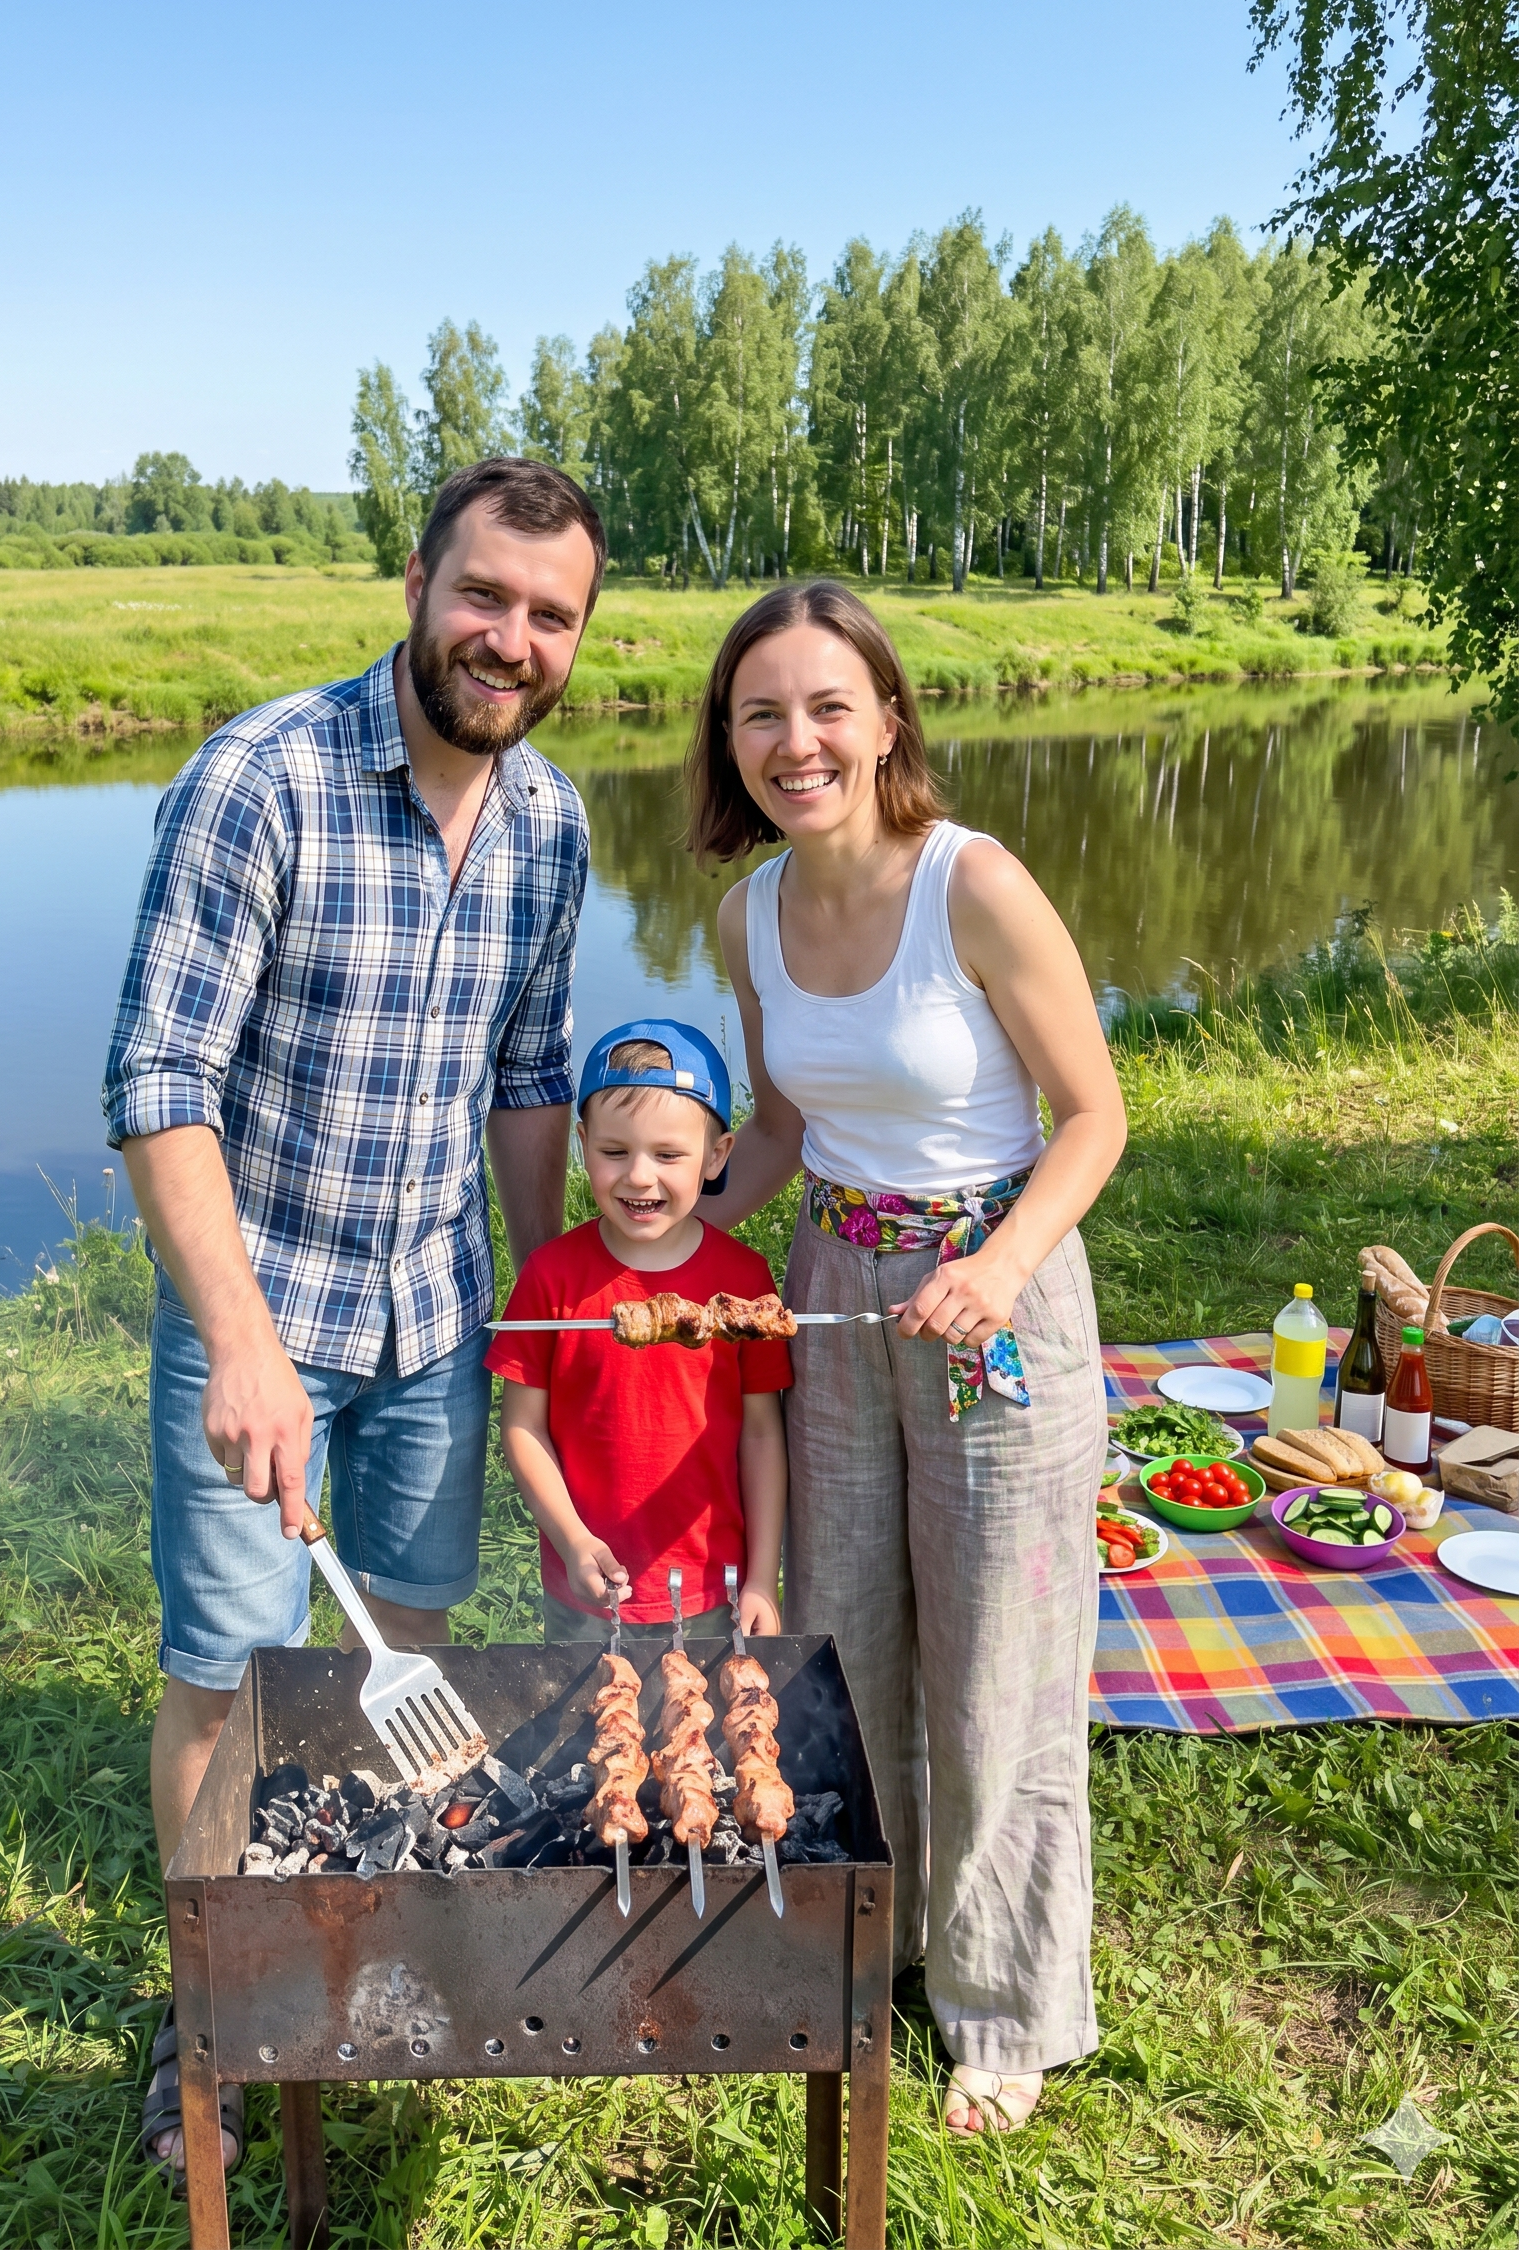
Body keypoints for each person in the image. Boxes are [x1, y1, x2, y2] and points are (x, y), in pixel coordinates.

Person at [102, 457, 605, 2173]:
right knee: (230, 1685)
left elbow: (530, 1075)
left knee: (393, 1652)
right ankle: (210, 2031)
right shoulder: (261, 778)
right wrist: (241, 1342)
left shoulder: (551, 824)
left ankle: (331, 1942)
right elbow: (158, 1079)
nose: (509, 638)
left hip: (440, 1314)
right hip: (272, 1310)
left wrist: (545, 1305)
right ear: (415, 582)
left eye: (548, 616)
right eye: (485, 595)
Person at [688, 581, 1127, 2138]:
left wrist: (999, 1269)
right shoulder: (747, 914)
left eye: (824, 707)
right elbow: (787, 1132)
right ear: (727, 740)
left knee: (998, 1660)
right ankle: (871, 1946)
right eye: (759, 713)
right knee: (848, 1637)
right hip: (831, 1290)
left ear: (885, 721)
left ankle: (1005, 2007)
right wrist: (667, 1219)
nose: (793, 742)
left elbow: (1096, 1117)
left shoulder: (976, 887)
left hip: (993, 1299)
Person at [488, 1023, 789, 1643]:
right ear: (582, 1145)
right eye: (615, 1151)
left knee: (710, 1736)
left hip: (716, 1587)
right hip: (586, 1587)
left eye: (668, 1155)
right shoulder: (551, 1279)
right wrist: (571, 1540)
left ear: (717, 1156)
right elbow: (522, 1426)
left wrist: (762, 1577)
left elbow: (761, 1435)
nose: (639, 1178)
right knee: (596, 1734)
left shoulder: (744, 1283)